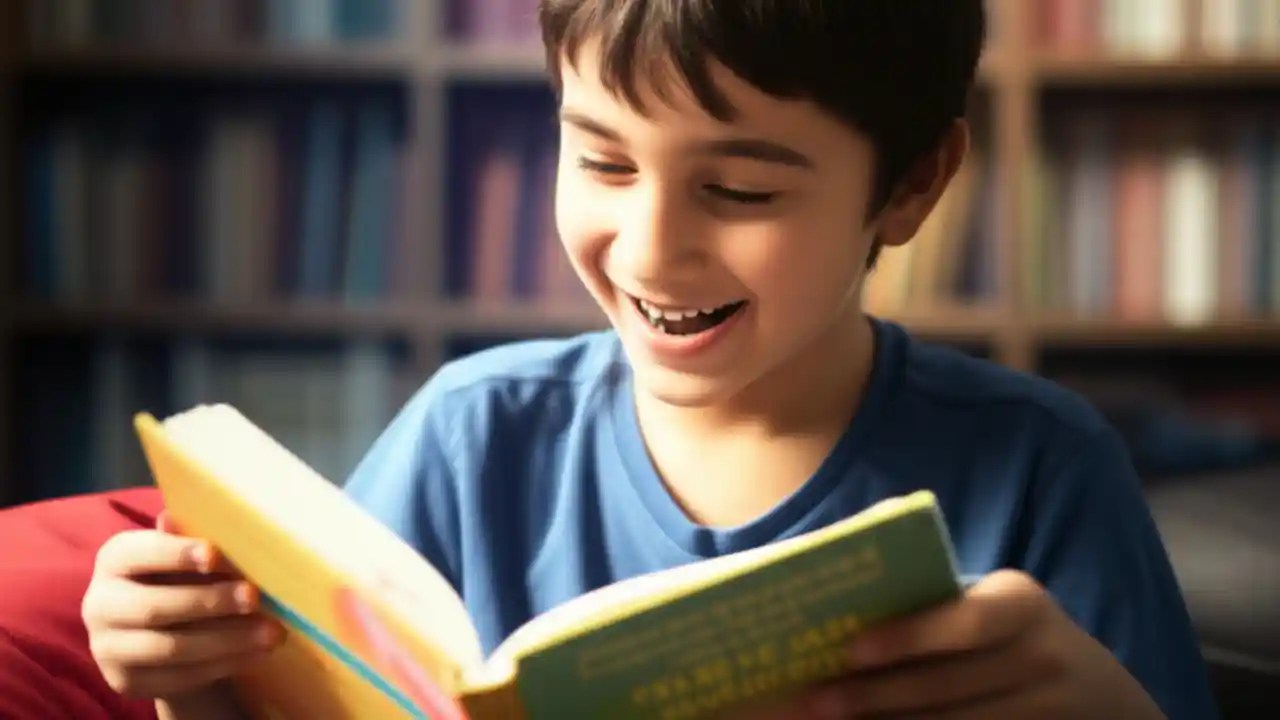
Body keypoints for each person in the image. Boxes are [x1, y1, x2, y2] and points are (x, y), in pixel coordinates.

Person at [80, 1, 1220, 718]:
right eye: (603, 164)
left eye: (739, 190)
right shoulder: (472, 434)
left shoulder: (1036, 467)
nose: (651, 248)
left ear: (911, 184)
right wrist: (201, 675)